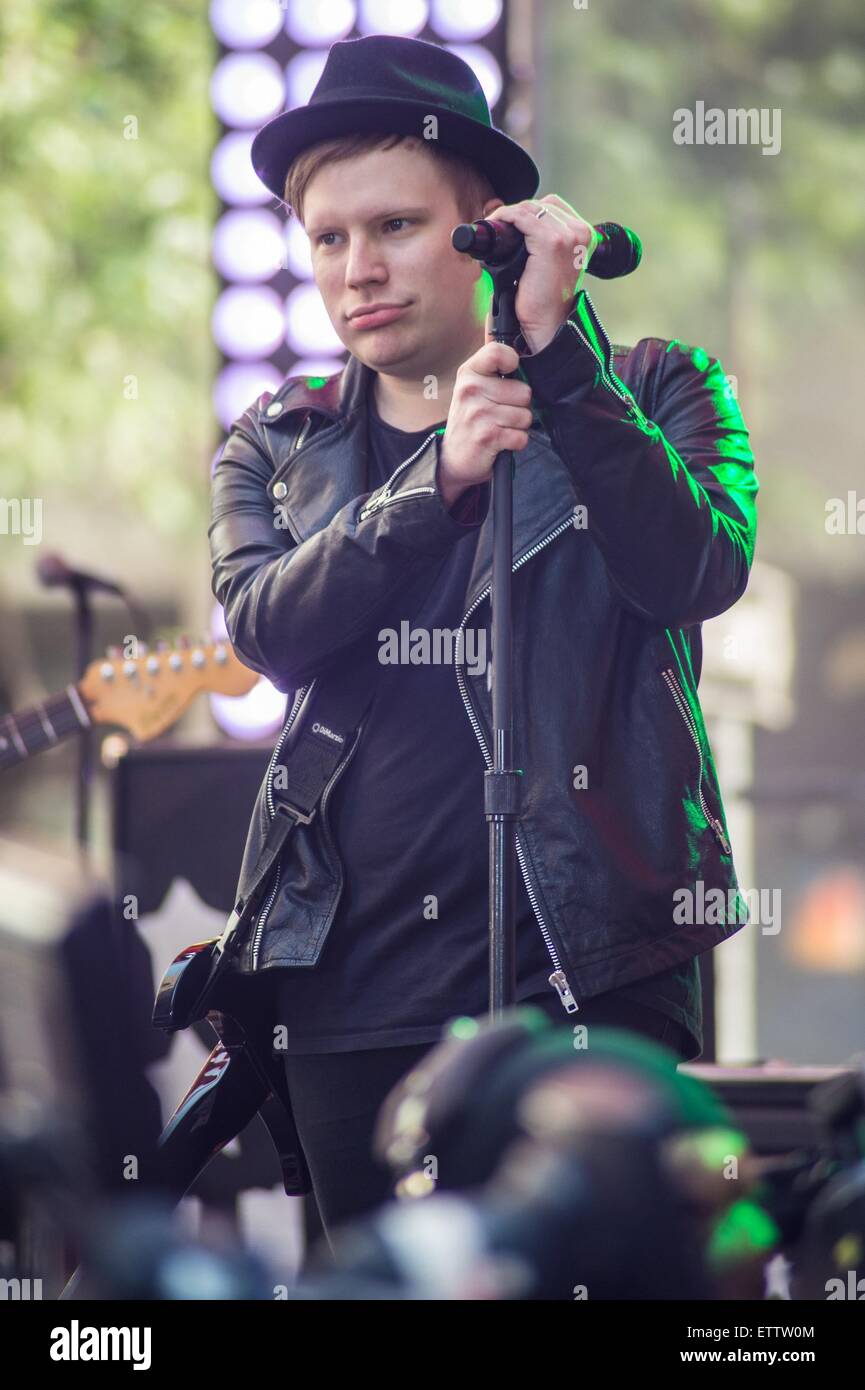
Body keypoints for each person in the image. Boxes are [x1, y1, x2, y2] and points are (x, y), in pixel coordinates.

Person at [208, 35, 759, 1238]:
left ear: (489, 231)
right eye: (327, 239)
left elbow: (695, 569)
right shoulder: (277, 442)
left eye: (396, 227)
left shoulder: (657, 386)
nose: (356, 268)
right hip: (349, 983)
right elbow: (266, 629)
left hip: (593, 962)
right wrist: (436, 484)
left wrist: (564, 369)